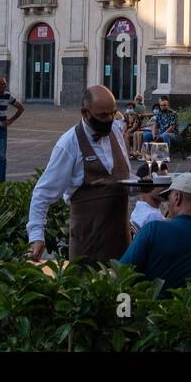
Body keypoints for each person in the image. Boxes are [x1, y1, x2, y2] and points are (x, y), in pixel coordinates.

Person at [27, 85, 129, 263]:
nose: (110, 119)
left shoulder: (116, 132)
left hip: (122, 244)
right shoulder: (69, 144)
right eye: (103, 116)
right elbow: (42, 193)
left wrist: (148, 186)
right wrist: (37, 236)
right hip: (88, 246)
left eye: (113, 113)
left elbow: (122, 180)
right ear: (85, 113)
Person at [130, 163, 166, 233]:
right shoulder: (153, 216)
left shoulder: (139, 209)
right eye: (161, 181)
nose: (166, 186)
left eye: (167, 180)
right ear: (147, 184)